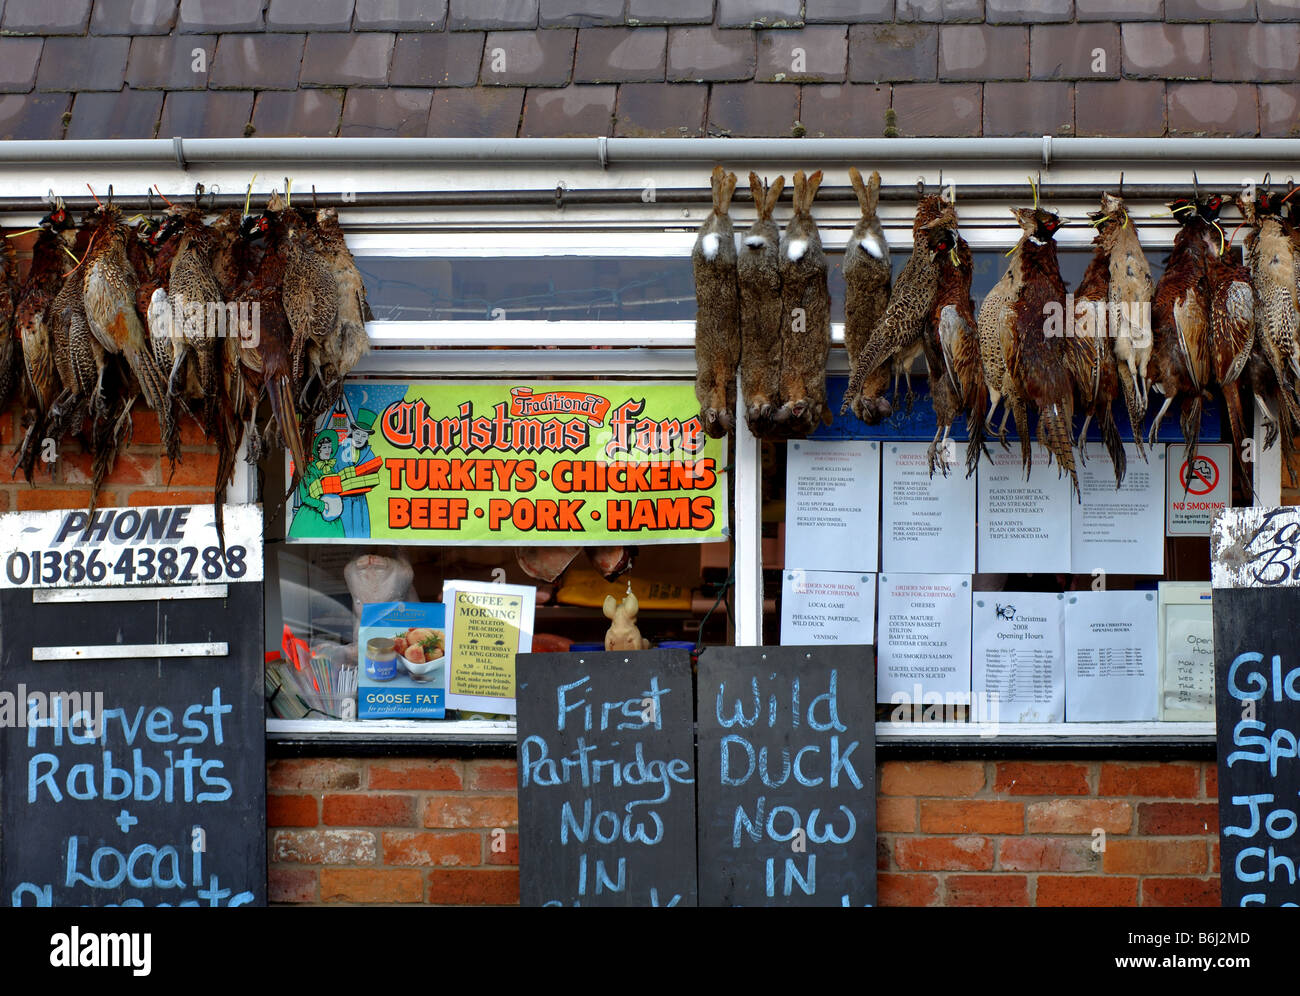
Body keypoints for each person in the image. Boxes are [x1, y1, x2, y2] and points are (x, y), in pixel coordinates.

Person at [288, 432, 346, 539]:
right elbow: (305, 497)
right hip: (312, 514)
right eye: (324, 447)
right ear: (318, 450)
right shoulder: (309, 470)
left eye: (329, 447)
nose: (328, 450)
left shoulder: (331, 469)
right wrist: (322, 505)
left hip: (332, 514)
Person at [336, 408, 378, 539]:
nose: (360, 438)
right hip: (344, 499)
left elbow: (374, 475)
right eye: (358, 434)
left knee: (361, 529)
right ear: (353, 432)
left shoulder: (369, 454)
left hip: (360, 500)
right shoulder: (340, 450)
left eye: (364, 436)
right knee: (345, 532)